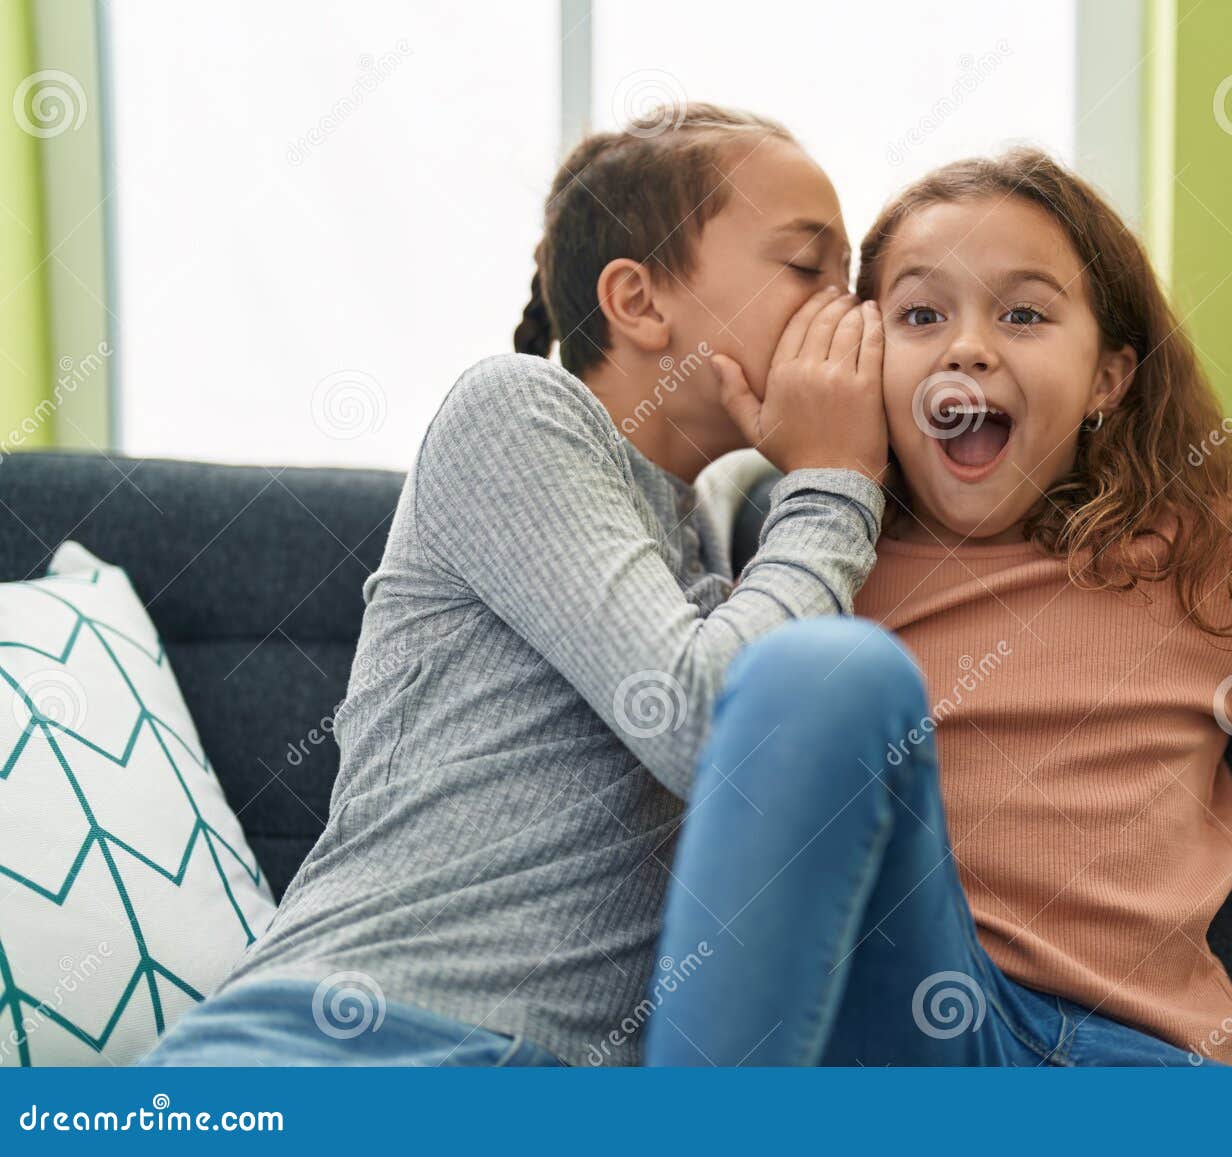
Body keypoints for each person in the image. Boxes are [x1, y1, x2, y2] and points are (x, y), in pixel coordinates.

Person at [641, 149, 1232, 1067]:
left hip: (1137, 1065)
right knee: (814, 675)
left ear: (1107, 380)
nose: (968, 346)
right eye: (921, 314)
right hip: (913, 1036)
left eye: (1025, 313)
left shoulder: (1197, 550)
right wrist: (816, 478)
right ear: (867, 359)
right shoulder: (817, 557)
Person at [140, 103, 888, 1067]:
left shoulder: (703, 539)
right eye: (806, 267)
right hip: (334, 1050)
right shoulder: (514, 411)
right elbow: (714, 726)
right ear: (640, 302)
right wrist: (835, 483)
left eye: (853, 279)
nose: (852, 312)